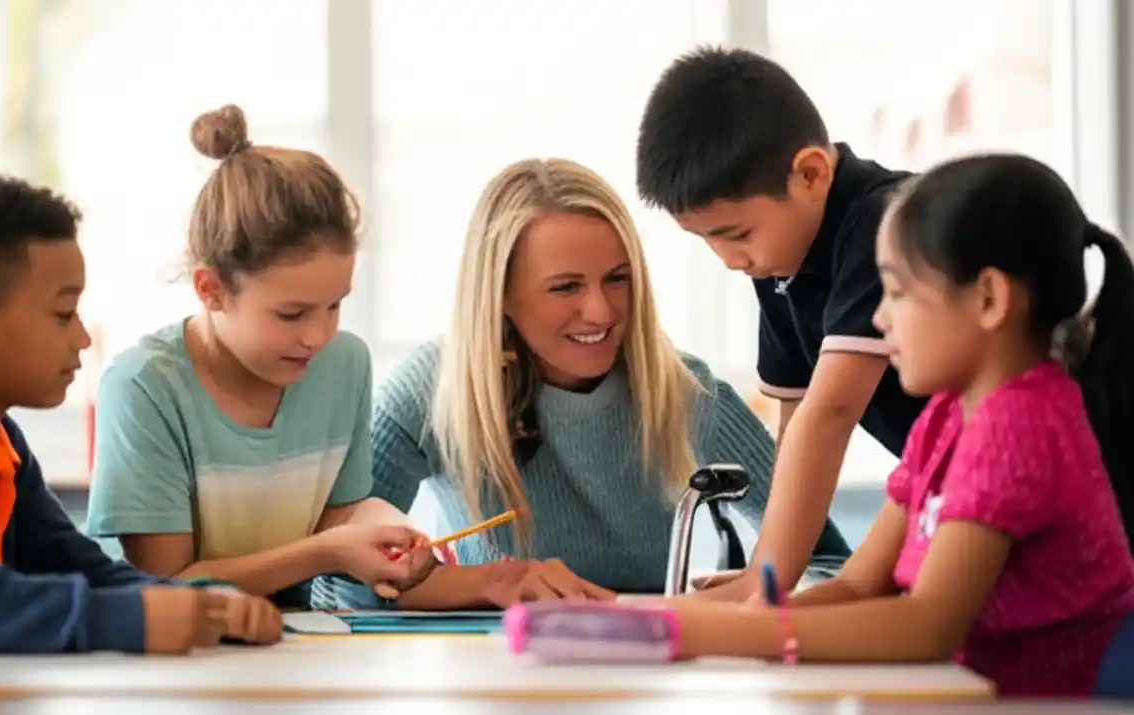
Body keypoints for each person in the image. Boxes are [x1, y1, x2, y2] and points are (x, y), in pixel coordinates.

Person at [659, 154, 1134, 698]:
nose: (881, 317)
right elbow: (861, 584)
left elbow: (927, 625)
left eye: (898, 292)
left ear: (988, 299)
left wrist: (744, 631)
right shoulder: (949, 415)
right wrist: (735, 620)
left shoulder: (1020, 423)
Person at [337, 157, 850, 609]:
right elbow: (341, 585)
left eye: (618, 278)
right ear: (499, 296)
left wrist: (757, 590)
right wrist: (487, 582)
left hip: (649, 668)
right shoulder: (429, 389)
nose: (601, 311)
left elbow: (827, 558)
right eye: (565, 287)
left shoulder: (687, 391)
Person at [0, 173, 282, 653]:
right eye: (63, 314)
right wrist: (125, 620)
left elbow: (77, 566)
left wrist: (205, 608)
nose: (81, 338)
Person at [85, 105, 435, 607]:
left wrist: (379, 533)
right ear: (211, 289)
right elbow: (164, 586)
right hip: (168, 655)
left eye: (335, 305)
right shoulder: (144, 386)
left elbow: (337, 518)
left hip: (291, 646)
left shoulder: (344, 364)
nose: (318, 336)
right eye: (291, 315)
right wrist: (327, 552)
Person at [636, 46, 928, 600]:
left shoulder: (886, 222)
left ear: (811, 174)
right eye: (707, 241)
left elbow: (830, 414)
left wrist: (764, 582)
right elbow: (794, 429)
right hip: (935, 477)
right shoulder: (780, 261)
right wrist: (769, 574)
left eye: (737, 234)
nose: (728, 260)